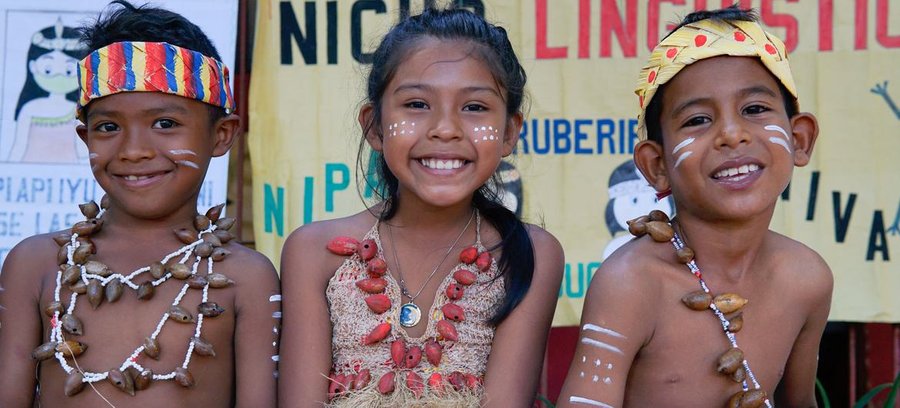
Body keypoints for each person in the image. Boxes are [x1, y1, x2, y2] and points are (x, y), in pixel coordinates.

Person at [278, 8, 564, 407]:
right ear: (375, 127)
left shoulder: (528, 254)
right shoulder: (314, 251)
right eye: (416, 104)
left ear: (509, 132)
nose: (444, 128)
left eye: (475, 107)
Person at [0, 1, 280, 407]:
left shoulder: (245, 276)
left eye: (165, 123)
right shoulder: (37, 264)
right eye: (109, 127)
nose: (133, 151)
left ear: (221, 135)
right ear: (85, 138)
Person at [558, 6, 831, 408]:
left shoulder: (807, 279)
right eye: (698, 119)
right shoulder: (631, 284)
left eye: (754, 109)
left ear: (800, 139)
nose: (732, 134)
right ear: (658, 166)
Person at [8, 19, 88, 163]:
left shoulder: (76, 112)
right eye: (48, 69)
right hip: (28, 176)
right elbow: (18, 148)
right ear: (33, 67)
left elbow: (82, 152)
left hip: (69, 176)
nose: (59, 76)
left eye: (69, 70)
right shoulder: (29, 109)